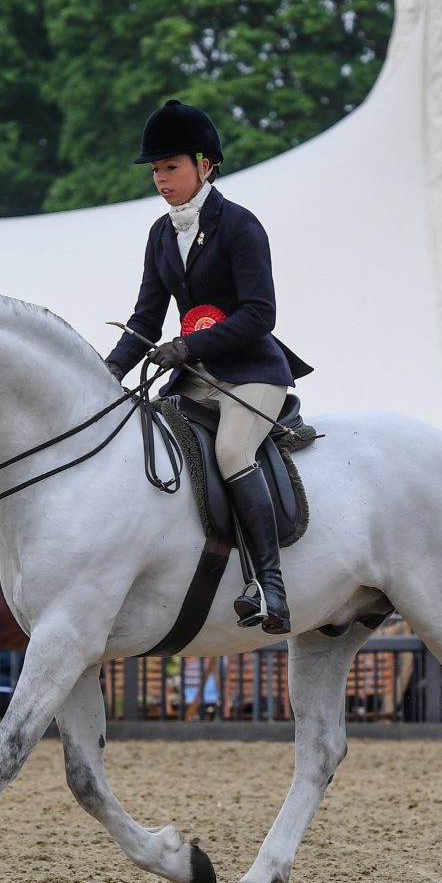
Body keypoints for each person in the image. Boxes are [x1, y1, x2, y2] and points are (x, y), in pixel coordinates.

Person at [104, 99, 311, 634]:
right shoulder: (159, 234)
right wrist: (106, 373)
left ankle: (270, 584)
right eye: (155, 170)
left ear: (205, 165)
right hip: (194, 380)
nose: (161, 179)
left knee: (231, 450)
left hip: (252, 373)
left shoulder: (240, 226)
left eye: (170, 167)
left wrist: (190, 347)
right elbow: (146, 317)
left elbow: (260, 313)